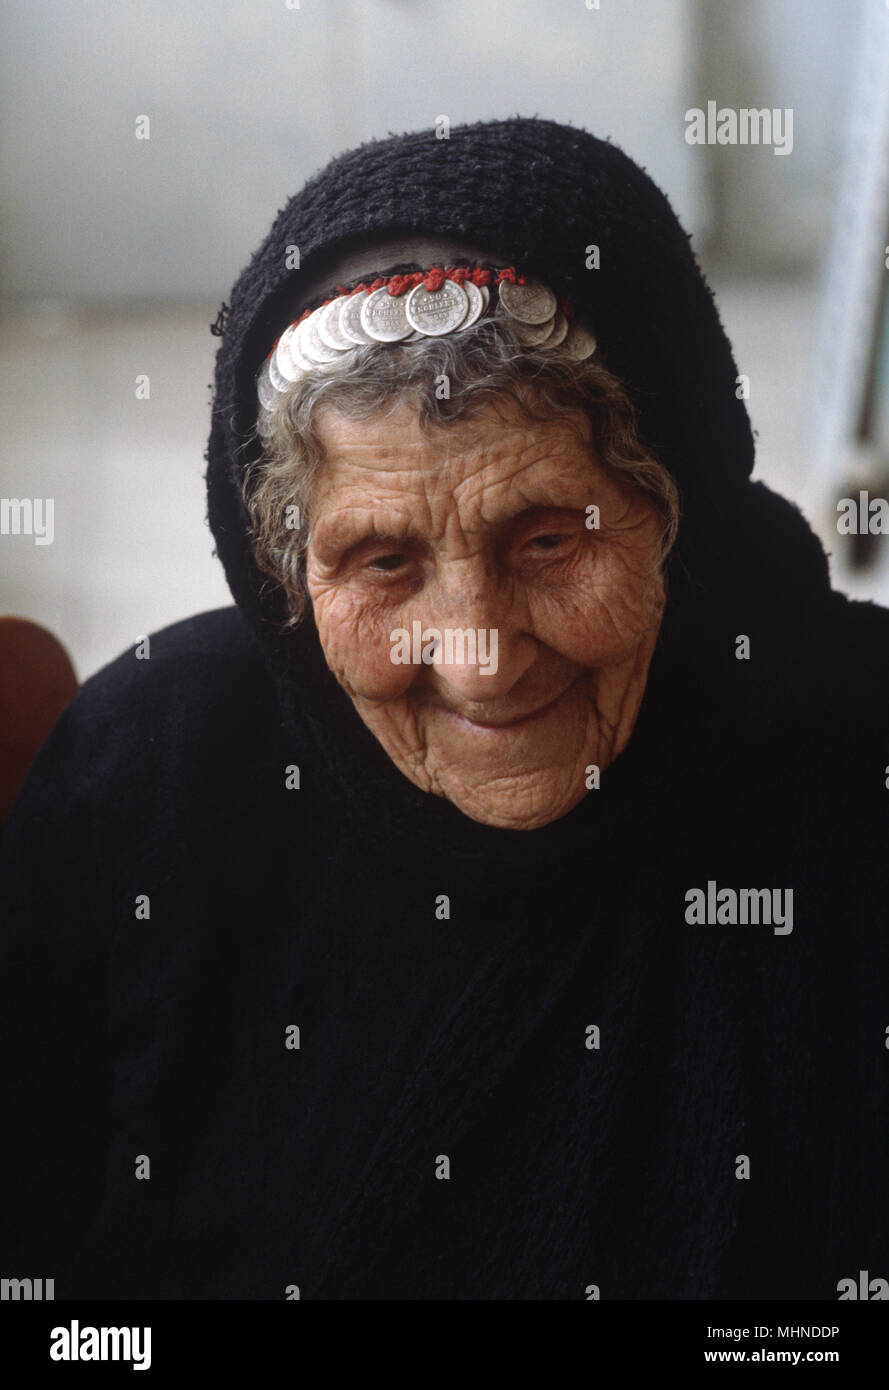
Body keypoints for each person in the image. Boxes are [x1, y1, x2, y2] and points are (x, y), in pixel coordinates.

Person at [1, 116, 887, 1301]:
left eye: (546, 538)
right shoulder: (150, 775)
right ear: (283, 573)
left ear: (684, 522)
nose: (476, 661)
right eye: (380, 560)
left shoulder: (850, 759)